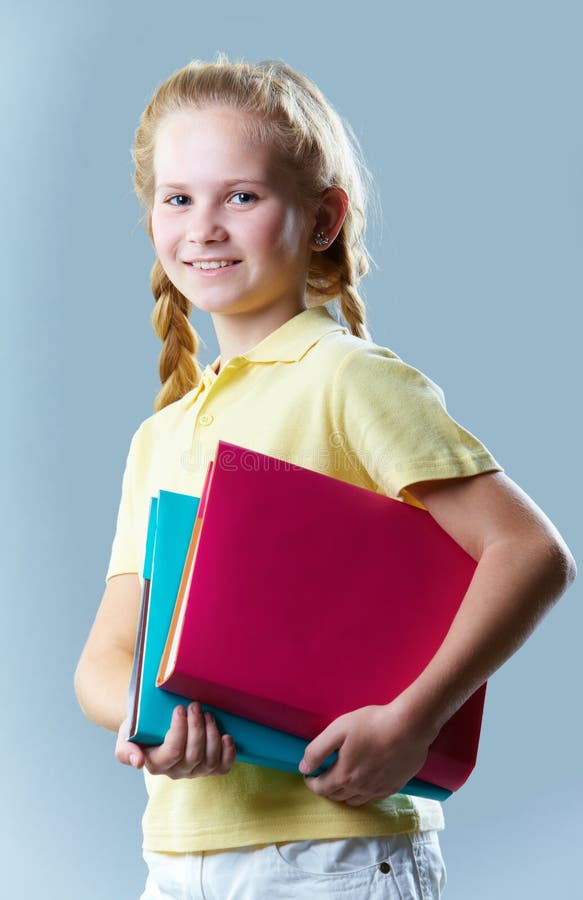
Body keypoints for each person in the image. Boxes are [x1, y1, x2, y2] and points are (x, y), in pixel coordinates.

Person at [74, 54, 576, 899]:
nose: (204, 227)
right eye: (178, 198)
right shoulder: (158, 435)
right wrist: (140, 720)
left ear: (321, 218)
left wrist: (413, 722)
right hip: (180, 854)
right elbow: (107, 654)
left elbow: (528, 552)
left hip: (329, 852)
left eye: (241, 196)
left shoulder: (348, 379)